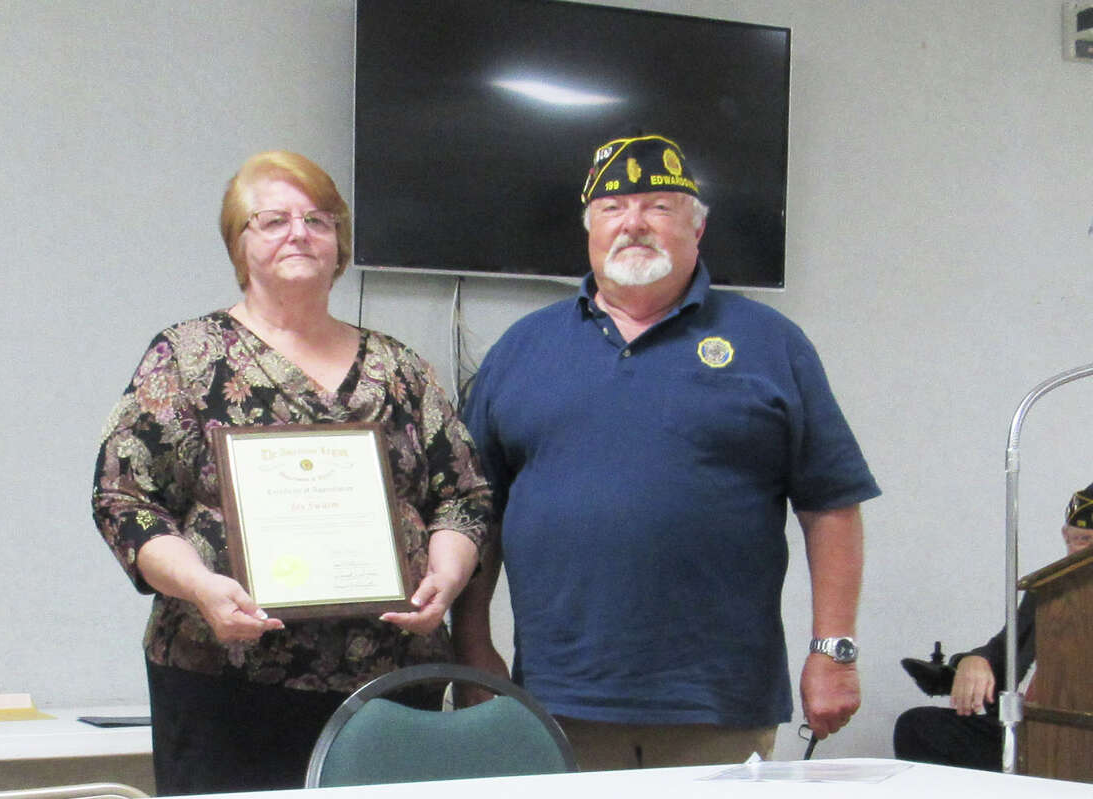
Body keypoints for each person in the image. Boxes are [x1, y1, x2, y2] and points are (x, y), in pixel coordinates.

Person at [452, 133, 880, 770]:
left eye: (659, 206)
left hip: (718, 705)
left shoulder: (772, 344)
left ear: (697, 229)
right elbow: (473, 509)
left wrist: (835, 649)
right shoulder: (521, 349)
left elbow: (831, 506)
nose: (634, 224)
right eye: (612, 209)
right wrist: (471, 646)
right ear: (589, 230)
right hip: (555, 699)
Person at [92, 150, 491, 795]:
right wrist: (199, 586)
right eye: (272, 220)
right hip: (225, 684)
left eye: (318, 219)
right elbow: (123, 496)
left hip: (387, 686)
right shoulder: (188, 358)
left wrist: (446, 576)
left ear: (340, 245)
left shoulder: (400, 369)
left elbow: (464, 494)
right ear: (237, 243)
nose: (299, 233)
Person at [893, 483, 1093, 771]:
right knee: (919, 727)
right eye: (1081, 540)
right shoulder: (1052, 591)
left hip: (1078, 738)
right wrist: (976, 661)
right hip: (1027, 733)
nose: (1084, 556)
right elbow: (1003, 651)